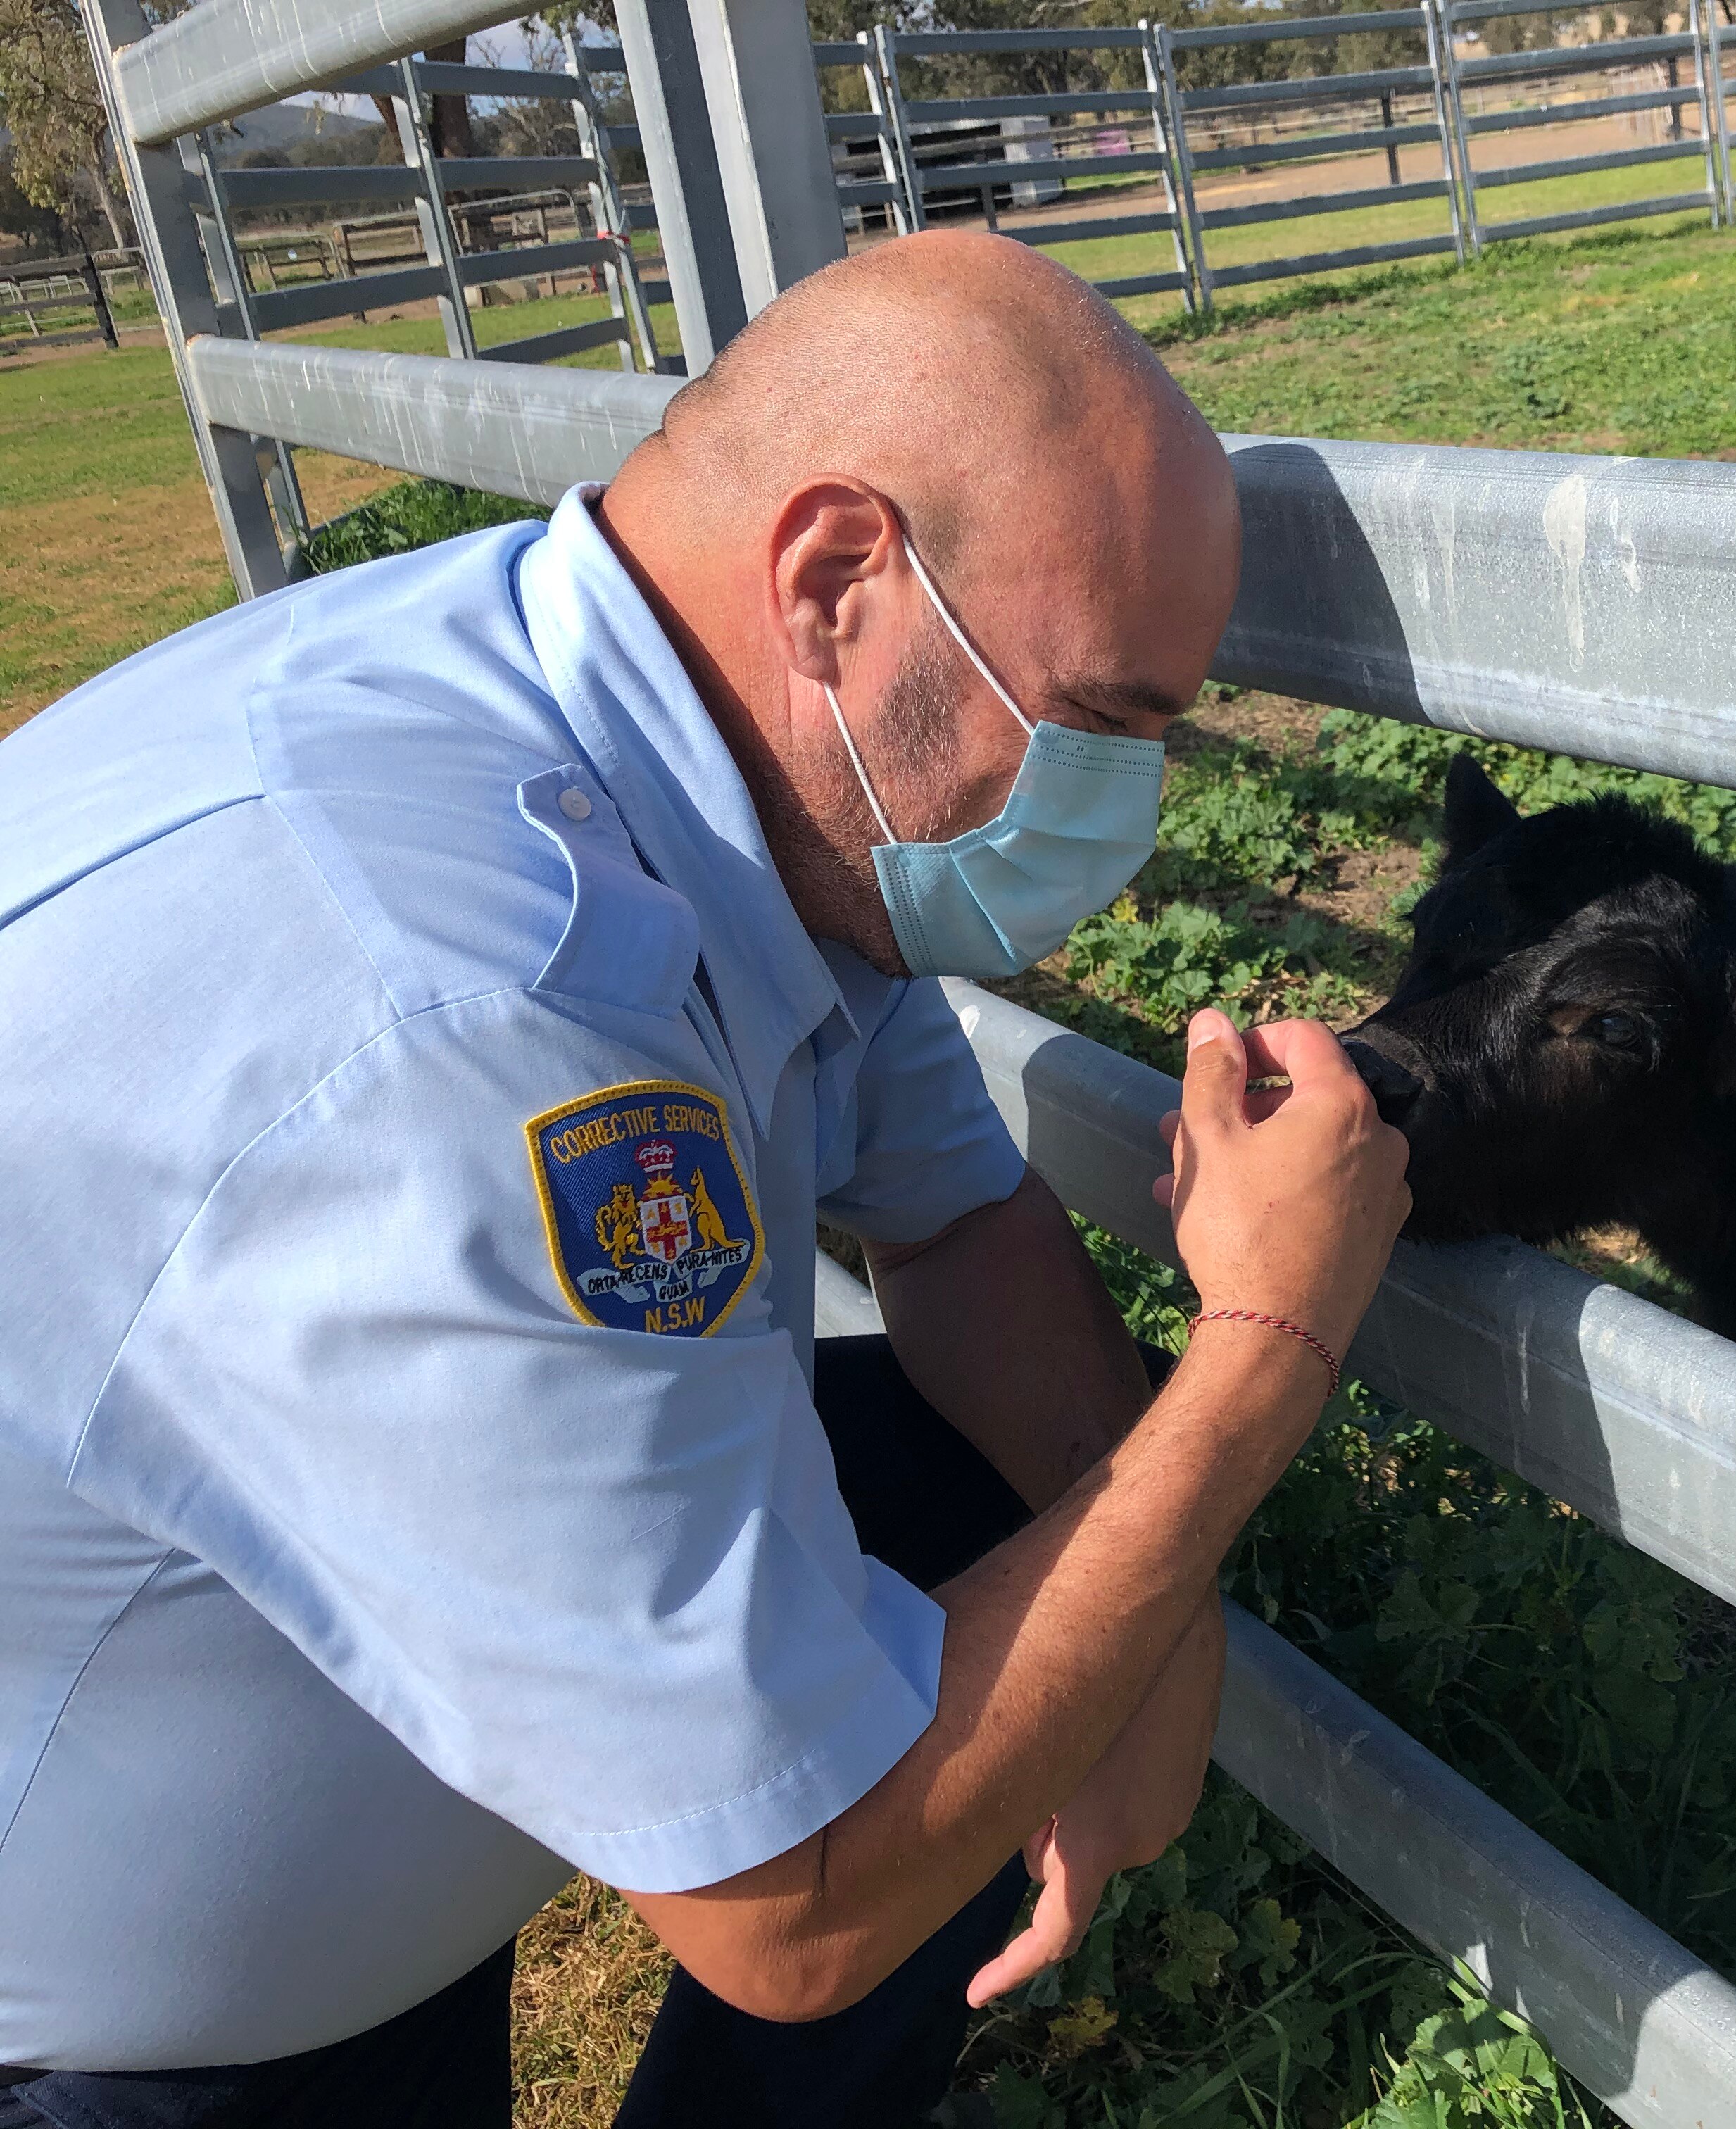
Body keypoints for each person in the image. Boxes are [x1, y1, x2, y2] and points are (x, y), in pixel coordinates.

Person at [0, 230, 1410, 2126]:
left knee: (928, 1466)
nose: (1130, 821)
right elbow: (795, 1907)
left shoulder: (678, 750)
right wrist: (1261, 1345)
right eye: (1104, 721)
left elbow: (958, 1215)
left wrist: (1140, 1631)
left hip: (339, 1773)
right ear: (838, 581)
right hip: (135, 2028)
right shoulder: (468, 1031)